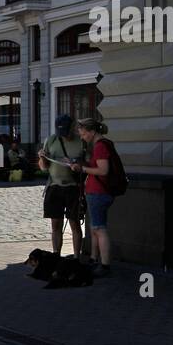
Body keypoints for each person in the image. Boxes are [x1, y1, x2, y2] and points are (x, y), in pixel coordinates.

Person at [71, 117, 115, 276]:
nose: (82, 137)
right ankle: (95, 260)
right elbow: (98, 167)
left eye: (83, 134)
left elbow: (103, 171)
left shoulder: (100, 146)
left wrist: (82, 169)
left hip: (98, 192)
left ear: (92, 131)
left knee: (99, 229)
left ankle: (104, 265)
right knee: (95, 228)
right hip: (97, 192)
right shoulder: (103, 144)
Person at [38, 113, 85, 257]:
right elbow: (43, 167)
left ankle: (77, 256)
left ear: (73, 128)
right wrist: (42, 158)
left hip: (73, 187)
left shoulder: (81, 142)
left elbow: (88, 163)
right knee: (55, 224)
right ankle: (56, 255)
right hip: (54, 187)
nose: (64, 135)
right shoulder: (51, 140)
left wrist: (76, 163)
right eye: (61, 132)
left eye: (66, 131)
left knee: (74, 223)